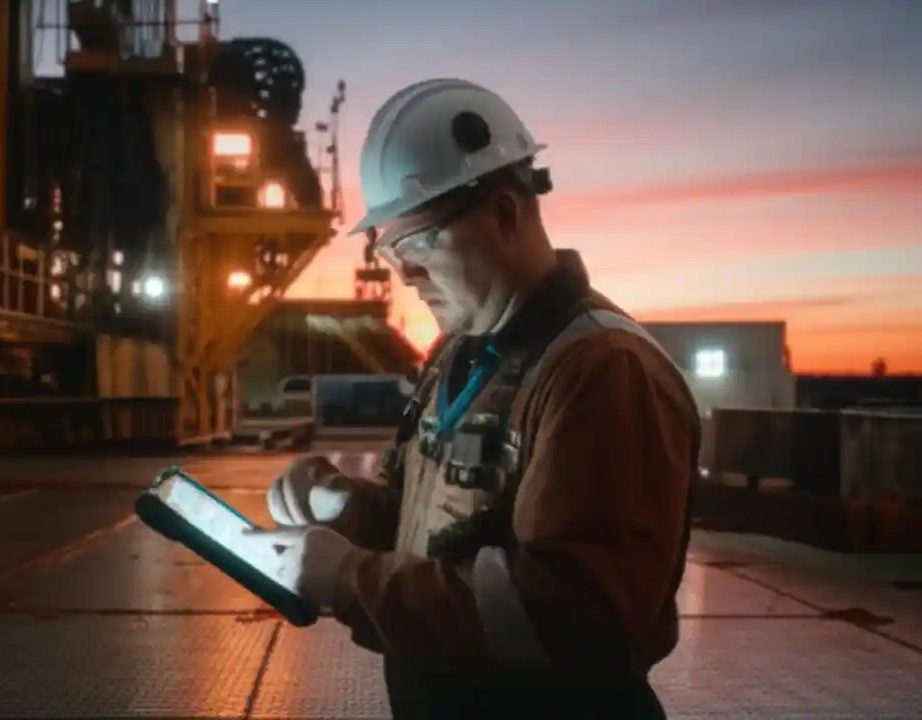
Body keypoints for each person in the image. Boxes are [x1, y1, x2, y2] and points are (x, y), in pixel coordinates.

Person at [243, 79, 701, 718]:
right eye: (389, 248)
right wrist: (339, 507)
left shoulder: (601, 371)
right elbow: (431, 530)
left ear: (506, 215)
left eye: (417, 242)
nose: (402, 272)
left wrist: (347, 579)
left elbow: (570, 613)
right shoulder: (460, 357)